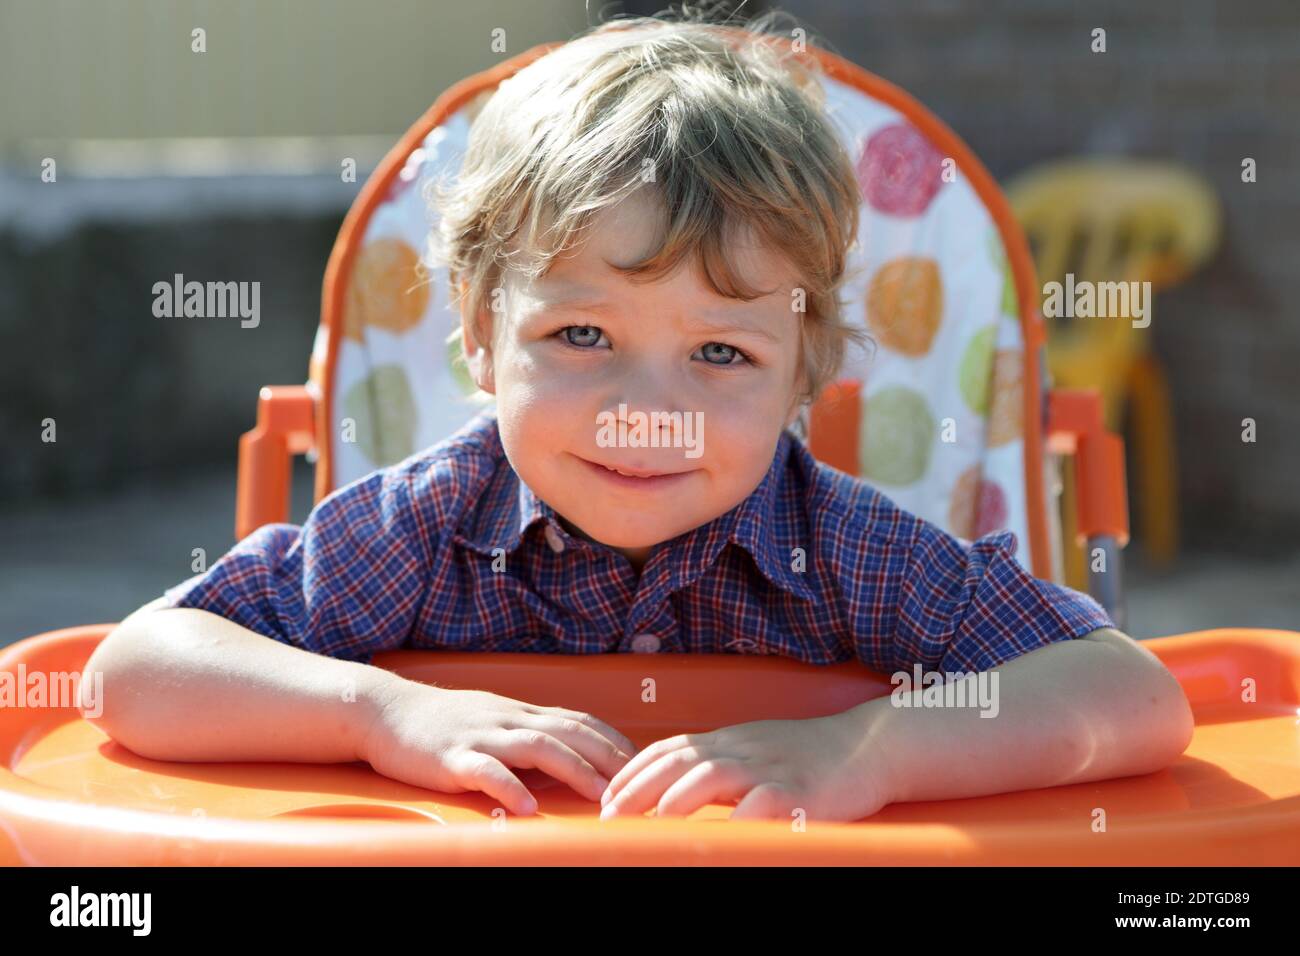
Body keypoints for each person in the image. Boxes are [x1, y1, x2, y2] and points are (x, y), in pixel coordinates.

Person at [82, 11, 1193, 822]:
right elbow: (134, 670)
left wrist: (872, 747)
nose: (646, 411)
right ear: (477, 331)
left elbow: (1133, 697)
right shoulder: (424, 530)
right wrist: (380, 713)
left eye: (720, 351)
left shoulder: (847, 553)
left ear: (802, 369)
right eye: (582, 336)